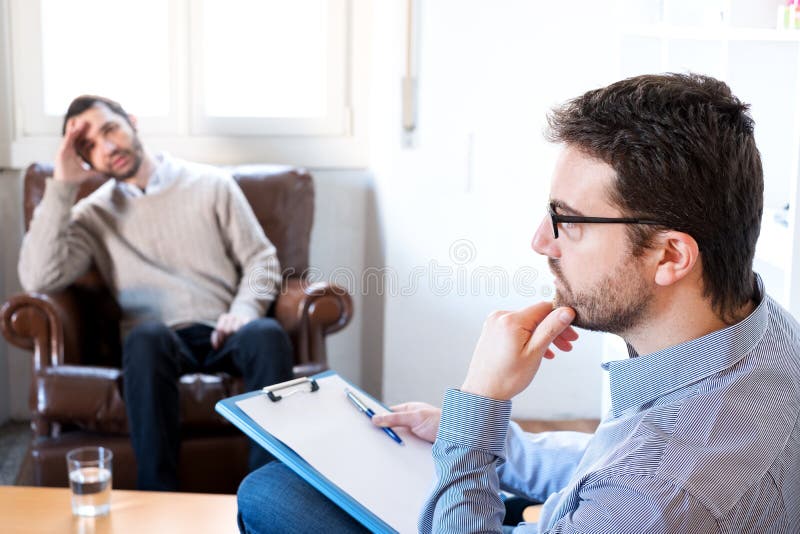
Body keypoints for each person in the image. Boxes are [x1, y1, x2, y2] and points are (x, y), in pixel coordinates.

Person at [236, 73, 800, 533]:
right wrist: (487, 438)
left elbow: (638, 486)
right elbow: (615, 463)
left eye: (568, 221)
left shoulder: (656, 496)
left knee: (268, 495)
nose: (540, 242)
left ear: (670, 256)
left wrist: (480, 400)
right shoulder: (764, 331)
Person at [18, 95, 294, 491]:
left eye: (110, 129)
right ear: (85, 161)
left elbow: (261, 258)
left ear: (131, 122)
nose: (108, 146)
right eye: (89, 146)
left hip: (226, 331)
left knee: (267, 335)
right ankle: (159, 499)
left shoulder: (211, 183)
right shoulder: (92, 216)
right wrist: (62, 186)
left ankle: (268, 496)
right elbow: (38, 278)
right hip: (158, 345)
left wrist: (245, 309)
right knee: (146, 337)